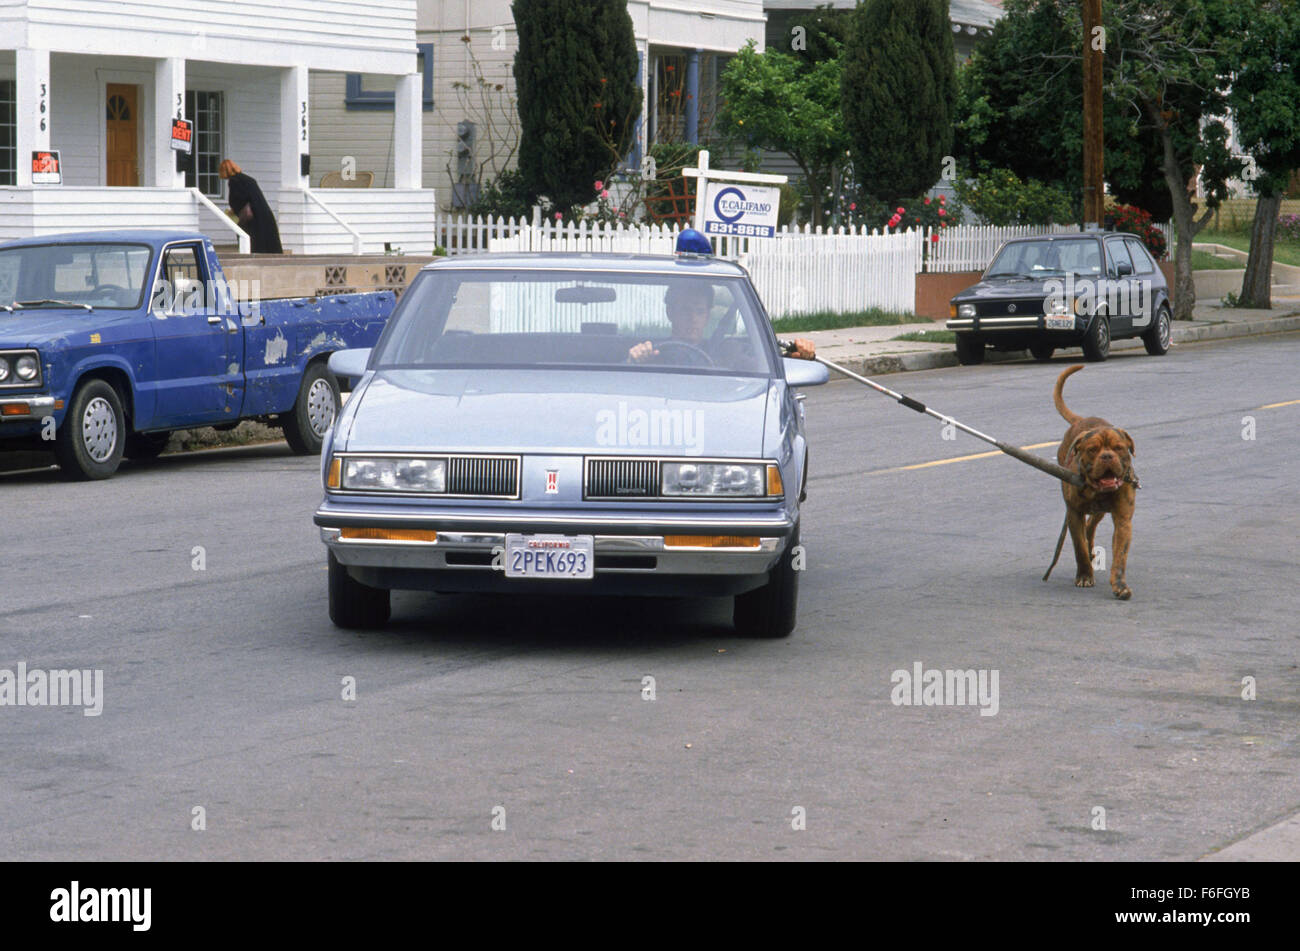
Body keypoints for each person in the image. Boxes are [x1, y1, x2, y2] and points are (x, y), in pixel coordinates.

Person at [627, 282, 816, 364]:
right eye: (685, 310)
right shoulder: (652, 354)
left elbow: (764, 371)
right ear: (670, 312)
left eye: (699, 311)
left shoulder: (727, 352)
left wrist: (798, 356)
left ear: (708, 315)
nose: (693, 318)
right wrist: (633, 361)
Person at [219, 159, 283, 254]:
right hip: (264, 213)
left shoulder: (234, 181)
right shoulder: (249, 179)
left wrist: (232, 210)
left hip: (253, 217)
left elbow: (238, 199)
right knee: (267, 242)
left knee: (252, 241)